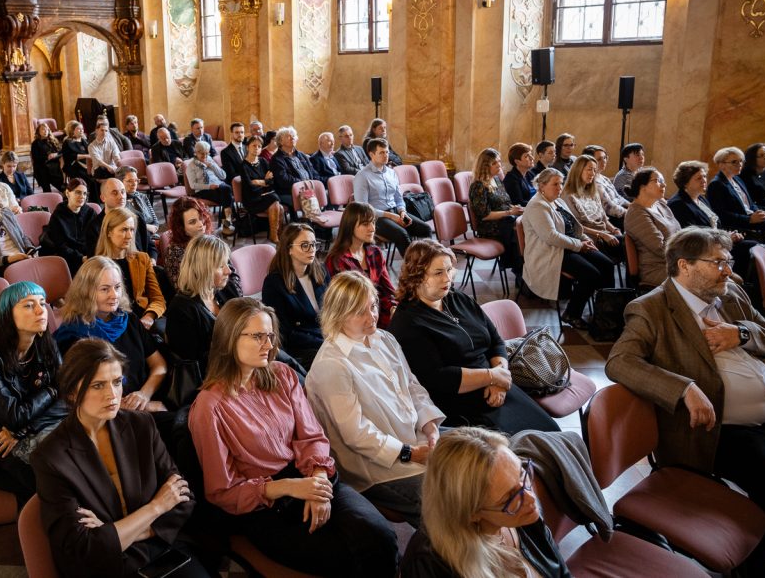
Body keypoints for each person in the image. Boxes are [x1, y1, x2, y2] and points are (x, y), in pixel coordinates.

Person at [606, 227, 765, 576]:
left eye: (727, 260)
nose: (728, 269)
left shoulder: (731, 295)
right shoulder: (651, 309)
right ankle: (751, 563)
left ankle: (754, 549)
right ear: (684, 266)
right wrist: (684, 388)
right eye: (718, 262)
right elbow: (619, 362)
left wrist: (742, 335)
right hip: (721, 430)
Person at [188, 297, 399, 577]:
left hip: (310, 475)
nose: (269, 344)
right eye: (257, 336)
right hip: (266, 503)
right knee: (346, 559)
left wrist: (318, 483)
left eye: (270, 336)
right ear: (229, 339)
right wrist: (289, 487)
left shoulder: (282, 375)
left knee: (381, 537)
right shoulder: (209, 407)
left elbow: (312, 437)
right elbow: (221, 492)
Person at [32, 339, 210, 578]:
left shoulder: (141, 424)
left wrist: (112, 532)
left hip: (159, 551)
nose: (112, 395)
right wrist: (156, 507)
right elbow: (84, 548)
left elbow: (183, 499)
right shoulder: (51, 457)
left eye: (117, 382)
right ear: (73, 392)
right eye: (98, 386)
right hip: (106, 568)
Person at [306, 271, 444, 527]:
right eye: (360, 312)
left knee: (477, 458)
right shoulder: (332, 365)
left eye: (373, 306)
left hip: (417, 436)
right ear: (339, 315)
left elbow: (412, 387)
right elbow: (356, 434)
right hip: (377, 466)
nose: (372, 316)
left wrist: (430, 426)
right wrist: (410, 453)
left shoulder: (385, 339)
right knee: (446, 504)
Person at [389, 240, 559, 433]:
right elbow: (439, 379)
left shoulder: (457, 298)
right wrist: (492, 377)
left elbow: (495, 339)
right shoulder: (407, 323)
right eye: (438, 273)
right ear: (416, 276)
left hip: (496, 386)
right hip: (460, 403)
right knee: (528, 450)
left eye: (449, 269)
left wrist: (500, 378)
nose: (448, 279)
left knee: (551, 432)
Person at [400, 427, 570, 578]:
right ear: (471, 513)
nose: (531, 497)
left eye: (521, 473)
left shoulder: (523, 513)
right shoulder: (430, 565)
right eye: (509, 497)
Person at [0, 282, 68, 505]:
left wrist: (24, 429)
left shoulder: (45, 342)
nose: (41, 310)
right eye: (29, 305)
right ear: (7, 315)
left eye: (42, 303)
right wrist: (53, 389)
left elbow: (67, 395)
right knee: (55, 481)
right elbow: (12, 416)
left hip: (29, 429)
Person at [54, 257, 168, 413]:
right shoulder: (75, 336)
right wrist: (143, 407)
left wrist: (144, 395)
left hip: (145, 398)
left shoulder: (128, 319)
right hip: (111, 414)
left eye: (117, 287)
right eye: (105, 289)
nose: (114, 295)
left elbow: (159, 365)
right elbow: (81, 395)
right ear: (86, 292)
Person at [520, 168, 615, 329]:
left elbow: (574, 228)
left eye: (561, 183)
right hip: (550, 252)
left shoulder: (558, 201)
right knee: (591, 274)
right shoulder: (537, 205)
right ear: (542, 186)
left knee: (607, 264)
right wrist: (580, 246)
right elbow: (551, 236)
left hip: (570, 246)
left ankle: (606, 312)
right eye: (555, 184)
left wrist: (585, 241)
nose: (560, 188)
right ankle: (572, 313)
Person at [164, 234, 242, 377]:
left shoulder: (227, 289)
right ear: (202, 269)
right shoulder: (181, 309)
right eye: (220, 266)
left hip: (243, 363)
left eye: (227, 264)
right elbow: (194, 365)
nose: (228, 271)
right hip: (216, 377)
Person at [669, 160, 757, 281]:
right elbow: (692, 236)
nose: (704, 180)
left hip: (718, 243)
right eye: (698, 178)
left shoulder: (700, 198)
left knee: (755, 247)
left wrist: (728, 235)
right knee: (751, 248)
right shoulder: (678, 204)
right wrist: (725, 238)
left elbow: (714, 225)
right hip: (703, 251)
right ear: (685, 182)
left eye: (705, 176)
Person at [262, 223, 330, 367]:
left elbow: (333, 309)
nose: (311, 250)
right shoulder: (274, 283)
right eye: (304, 245)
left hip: (327, 337)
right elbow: (285, 333)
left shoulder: (321, 271)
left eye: (313, 244)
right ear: (289, 249)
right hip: (302, 347)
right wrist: (325, 342)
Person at [94, 207, 167, 338]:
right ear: (109, 232)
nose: (129, 235)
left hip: (143, 319)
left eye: (132, 230)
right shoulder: (96, 265)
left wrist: (149, 316)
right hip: (114, 323)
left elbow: (158, 299)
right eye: (124, 230)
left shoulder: (142, 258)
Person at [354, 138, 432, 256]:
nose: (386, 155)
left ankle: (428, 261)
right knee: (402, 234)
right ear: (371, 154)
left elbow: (398, 198)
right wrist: (391, 216)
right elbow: (363, 208)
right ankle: (413, 269)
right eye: (381, 152)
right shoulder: (362, 176)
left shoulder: (391, 172)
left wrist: (402, 212)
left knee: (426, 229)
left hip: (395, 211)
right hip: (375, 217)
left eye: (387, 152)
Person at [325, 202, 397, 328]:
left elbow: (388, 290)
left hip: (379, 310)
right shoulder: (336, 260)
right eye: (365, 224)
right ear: (350, 226)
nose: (372, 228)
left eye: (373, 222)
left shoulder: (375, 253)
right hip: (356, 320)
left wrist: (393, 307)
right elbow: (345, 305)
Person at [469, 148, 524, 280]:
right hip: (490, 227)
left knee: (527, 227)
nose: (499, 165)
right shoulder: (478, 186)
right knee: (520, 232)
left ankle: (526, 270)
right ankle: (520, 271)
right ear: (485, 166)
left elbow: (505, 202)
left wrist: (515, 208)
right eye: (495, 163)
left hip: (505, 219)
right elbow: (484, 215)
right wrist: (510, 212)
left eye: (499, 162)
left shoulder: (497, 180)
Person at [625, 167, 683, 290]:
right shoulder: (636, 213)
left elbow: (680, 232)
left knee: (725, 278)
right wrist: (690, 256)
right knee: (707, 279)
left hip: (677, 261)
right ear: (642, 187)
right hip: (657, 268)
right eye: (657, 180)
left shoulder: (660, 204)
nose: (664, 184)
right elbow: (660, 248)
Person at [562, 154, 624, 260]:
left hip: (604, 233)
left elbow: (604, 218)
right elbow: (576, 225)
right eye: (589, 169)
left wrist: (614, 229)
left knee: (632, 242)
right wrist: (602, 235)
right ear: (578, 171)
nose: (593, 173)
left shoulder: (592, 191)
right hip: (589, 237)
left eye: (595, 170)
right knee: (627, 246)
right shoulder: (568, 195)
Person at [707, 145, 765, 237]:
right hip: (741, 225)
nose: (740, 164)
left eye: (741, 161)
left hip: (753, 218)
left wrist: (758, 212)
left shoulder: (737, 179)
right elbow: (721, 215)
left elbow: (750, 204)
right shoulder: (716, 184)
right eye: (734, 162)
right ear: (721, 165)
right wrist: (749, 219)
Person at [85, 178, 154, 258]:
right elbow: (95, 260)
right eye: (114, 193)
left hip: (141, 265)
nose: (121, 197)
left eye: (123, 192)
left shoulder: (137, 217)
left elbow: (150, 246)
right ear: (103, 198)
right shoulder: (94, 227)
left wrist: (152, 260)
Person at [42, 178, 98, 275]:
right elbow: (60, 245)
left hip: (88, 255)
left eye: (85, 194)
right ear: (68, 193)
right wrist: (80, 258)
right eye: (78, 192)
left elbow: (96, 238)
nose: (82, 197)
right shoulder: (58, 215)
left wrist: (91, 255)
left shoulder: (90, 212)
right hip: (68, 257)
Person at [238, 135, 285, 243]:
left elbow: (272, 181)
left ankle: (277, 234)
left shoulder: (263, 161)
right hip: (251, 199)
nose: (257, 148)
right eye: (254, 145)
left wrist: (258, 182)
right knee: (275, 200)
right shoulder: (243, 166)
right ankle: (274, 235)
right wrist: (265, 181)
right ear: (247, 147)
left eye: (259, 146)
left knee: (278, 206)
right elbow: (250, 186)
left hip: (265, 196)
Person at [185, 140, 236, 235]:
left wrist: (212, 165)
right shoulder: (191, 166)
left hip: (218, 187)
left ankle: (227, 224)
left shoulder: (210, 159)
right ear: (196, 152)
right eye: (202, 154)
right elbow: (193, 185)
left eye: (206, 153)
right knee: (229, 196)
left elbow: (223, 176)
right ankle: (227, 223)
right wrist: (209, 186)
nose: (205, 156)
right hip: (203, 190)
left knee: (226, 191)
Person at [162, 197, 215, 287]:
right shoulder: (174, 253)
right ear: (181, 228)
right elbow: (183, 288)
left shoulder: (212, 240)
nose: (201, 224)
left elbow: (231, 272)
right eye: (192, 222)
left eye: (201, 218)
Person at [269, 127, 318, 216]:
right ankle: (307, 223)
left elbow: (312, 171)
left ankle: (319, 224)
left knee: (325, 193)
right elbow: (284, 180)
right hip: (288, 192)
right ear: (280, 141)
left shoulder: (302, 155)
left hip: (308, 188)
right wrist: (303, 184)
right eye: (288, 136)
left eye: (294, 136)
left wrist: (314, 183)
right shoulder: (276, 159)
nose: (292, 138)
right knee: (309, 199)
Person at [584, 144, 629, 226]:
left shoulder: (604, 178)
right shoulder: (593, 182)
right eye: (599, 159)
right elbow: (609, 207)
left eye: (605, 158)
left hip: (620, 212)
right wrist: (630, 213)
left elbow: (618, 197)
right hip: (611, 219)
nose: (604, 161)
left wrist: (632, 206)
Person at [118, 165, 160, 247]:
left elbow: (155, 220)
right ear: (121, 182)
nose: (134, 184)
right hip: (134, 240)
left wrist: (153, 228)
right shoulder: (120, 201)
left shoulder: (143, 197)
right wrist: (146, 227)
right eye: (130, 181)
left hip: (152, 235)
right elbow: (127, 226)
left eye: (136, 180)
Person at [741, 143, 765, 217]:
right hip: (756, 214)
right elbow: (749, 204)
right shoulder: (745, 176)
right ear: (752, 159)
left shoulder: (764, 172)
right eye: (761, 155)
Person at [62, 120, 96, 196]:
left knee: (95, 175)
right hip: (73, 166)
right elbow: (69, 156)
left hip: (86, 164)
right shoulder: (67, 142)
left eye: (82, 129)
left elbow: (90, 152)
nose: (82, 131)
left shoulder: (83, 140)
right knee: (86, 177)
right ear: (72, 131)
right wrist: (85, 156)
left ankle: (93, 199)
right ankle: (84, 195)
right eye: (79, 129)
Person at [30, 121, 63, 193]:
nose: (45, 131)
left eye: (47, 129)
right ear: (38, 132)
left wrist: (56, 154)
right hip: (42, 165)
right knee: (44, 175)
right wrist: (47, 157)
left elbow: (61, 151)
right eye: (43, 129)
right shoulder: (35, 143)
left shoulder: (53, 140)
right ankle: (47, 193)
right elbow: (36, 158)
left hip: (55, 165)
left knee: (60, 183)